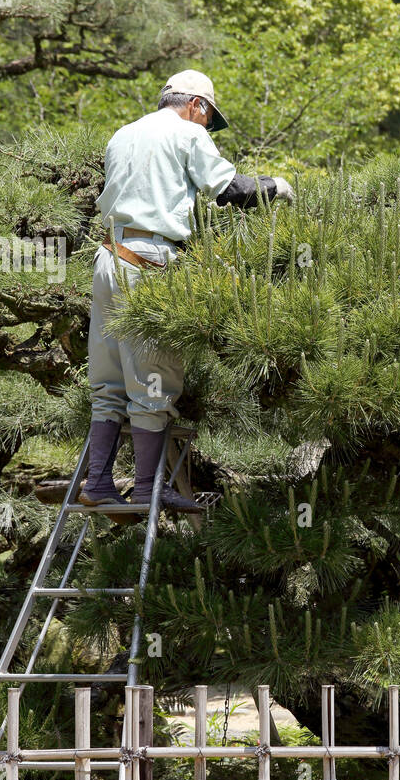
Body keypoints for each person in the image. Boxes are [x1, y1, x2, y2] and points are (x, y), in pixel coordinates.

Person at [80, 70, 293, 514]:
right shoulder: (186, 134)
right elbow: (228, 191)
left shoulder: (124, 133)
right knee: (154, 380)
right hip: (149, 263)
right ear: (196, 104)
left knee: (108, 381)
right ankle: (146, 490)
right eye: (209, 118)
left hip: (107, 259)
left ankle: (97, 482)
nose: (207, 127)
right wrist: (278, 187)